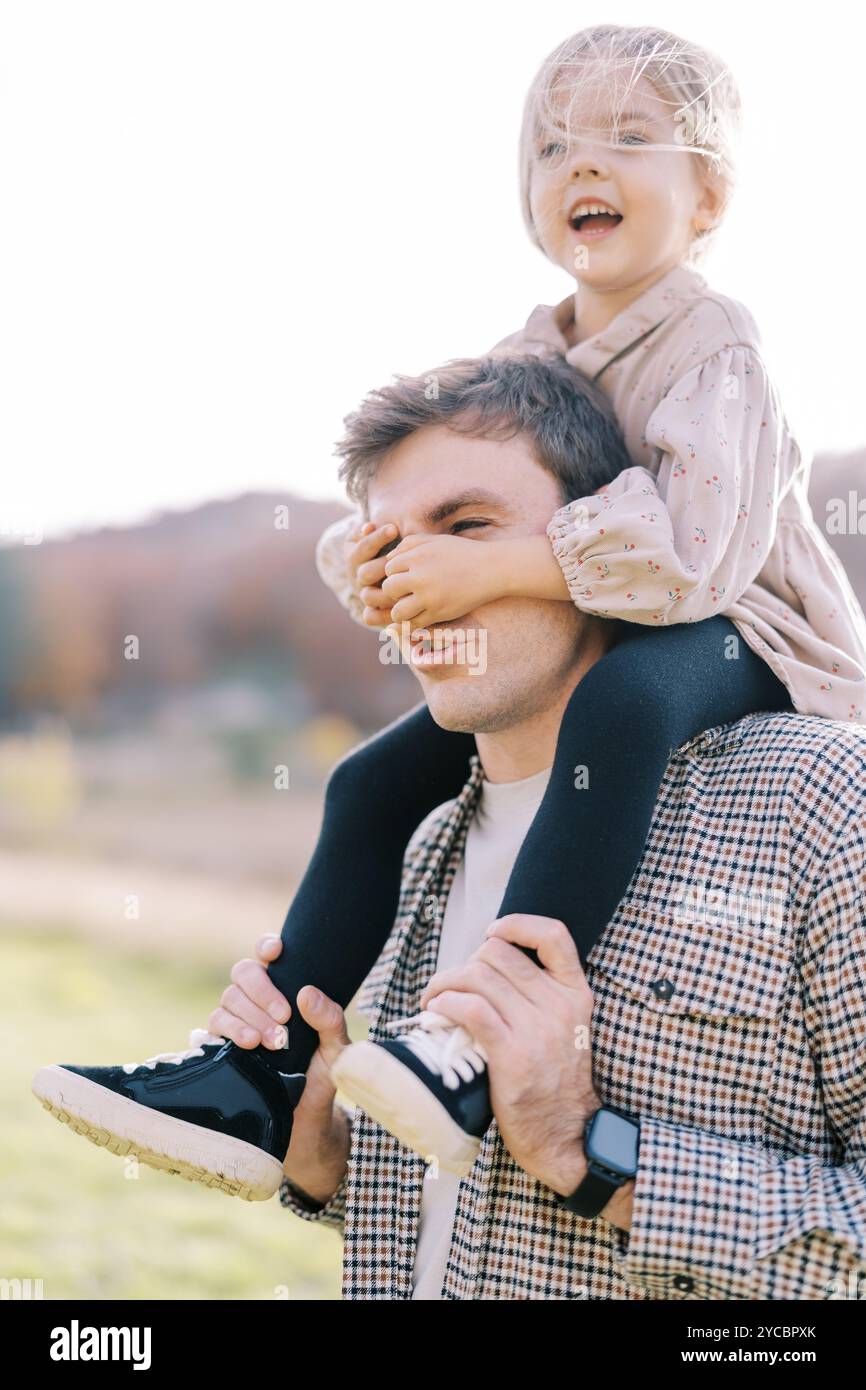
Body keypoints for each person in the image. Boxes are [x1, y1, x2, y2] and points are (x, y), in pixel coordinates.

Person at [31, 23, 866, 1199]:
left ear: (708, 192)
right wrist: (379, 558)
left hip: (745, 632)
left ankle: (472, 1040)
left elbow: (690, 560)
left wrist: (496, 570)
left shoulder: (717, 343)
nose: (585, 165)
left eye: (630, 138)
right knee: (368, 780)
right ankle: (261, 1078)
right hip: (623, 628)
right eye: (554, 146)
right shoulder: (533, 351)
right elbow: (434, 492)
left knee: (621, 708)